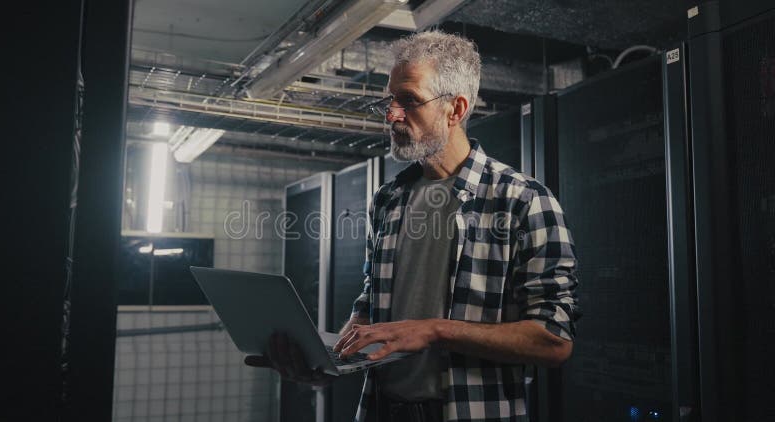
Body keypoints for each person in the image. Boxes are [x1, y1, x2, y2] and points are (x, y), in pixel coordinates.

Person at [247, 30, 580, 422]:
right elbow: (370, 305)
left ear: (455, 109)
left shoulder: (523, 201)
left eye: (409, 100)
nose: (392, 114)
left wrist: (435, 330)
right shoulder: (388, 199)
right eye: (390, 99)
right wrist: (330, 362)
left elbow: (554, 341)